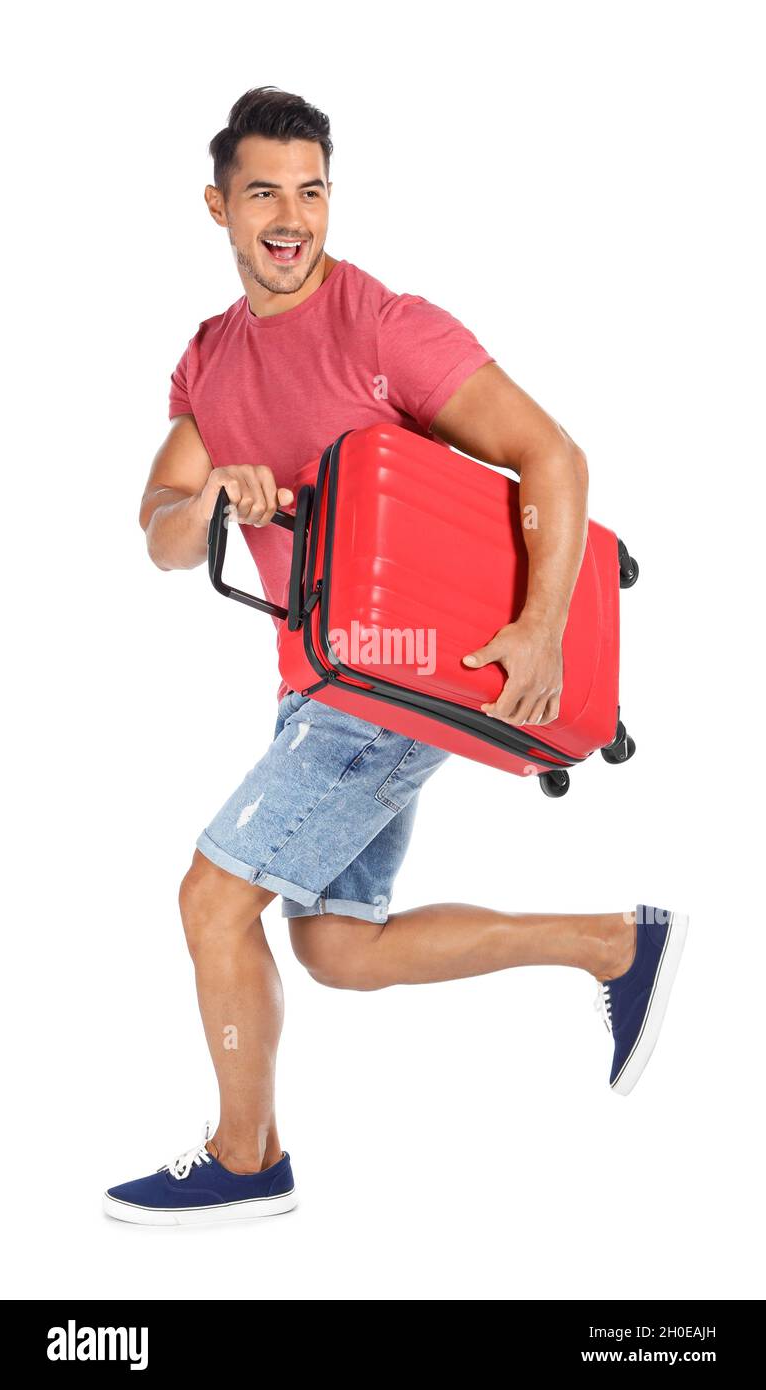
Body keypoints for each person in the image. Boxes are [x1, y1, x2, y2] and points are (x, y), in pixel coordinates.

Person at [103, 87, 687, 1226]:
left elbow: (553, 456)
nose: (290, 216)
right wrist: (212, 499)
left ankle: (244, 1160)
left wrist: (537, 627)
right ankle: (618, 943)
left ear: (331, 201)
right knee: (337, 945)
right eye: (264, 190)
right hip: (314, 677)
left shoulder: (384, 326)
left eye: (310, 190)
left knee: (212, 898)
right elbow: (161, 531)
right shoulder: (211, 362)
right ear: (217, 206)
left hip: (393, 676)